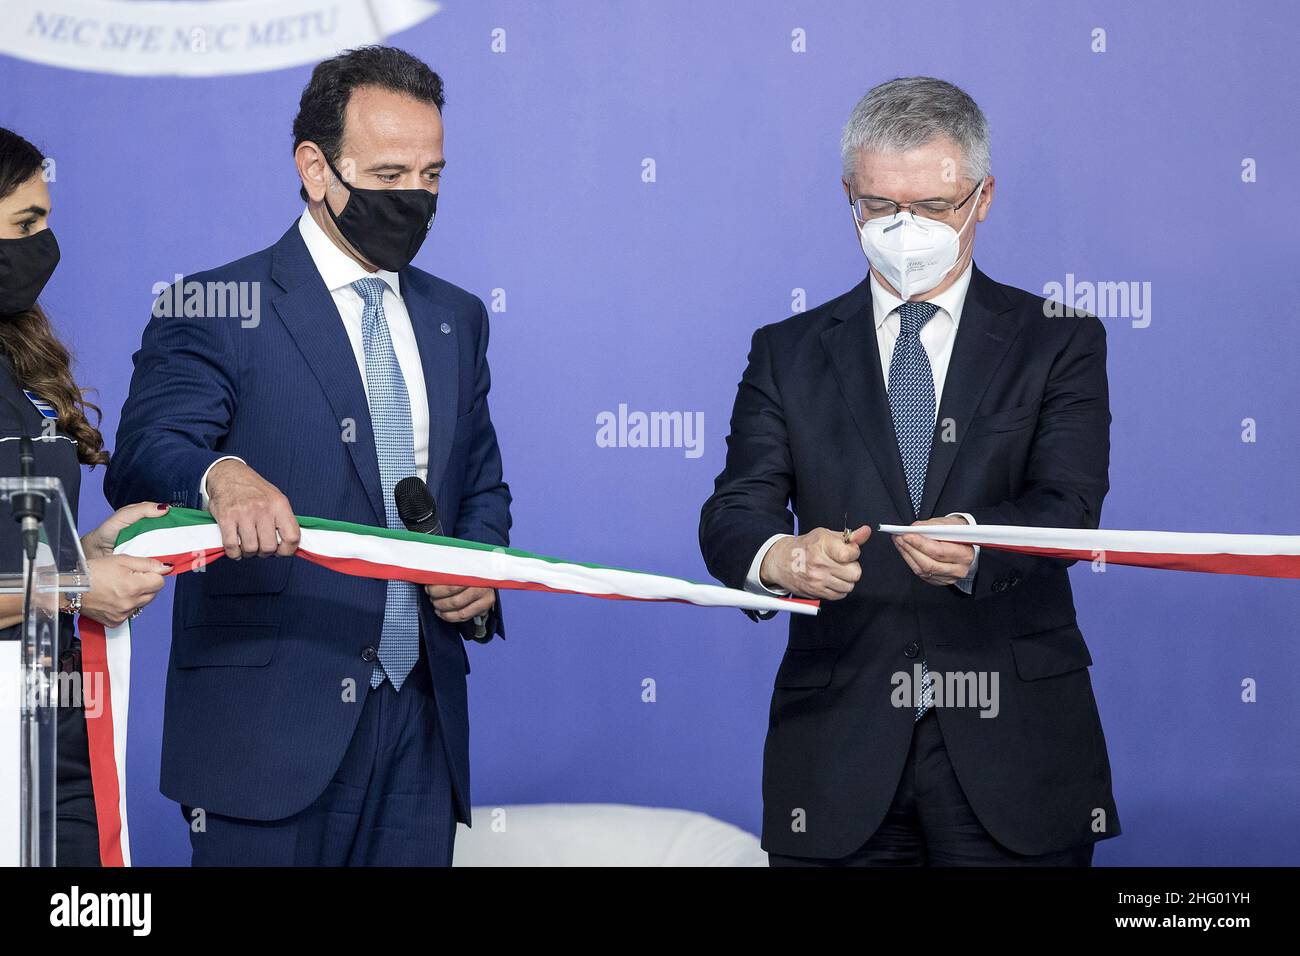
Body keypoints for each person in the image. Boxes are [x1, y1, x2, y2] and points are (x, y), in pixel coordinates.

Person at [104, 46, 511, 866]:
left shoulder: (457, 318)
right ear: (315, 167)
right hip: (265, 732)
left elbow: (480, 486)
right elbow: (147, 449)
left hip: (421, 725)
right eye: (390, 174)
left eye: (432, 176)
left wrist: (481, 567)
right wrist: (224, 475)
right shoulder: (214, 304)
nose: (416, 199)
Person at [699, 77, 1118, 866]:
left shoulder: (1059, 339)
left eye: (932, 207)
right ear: (849, 197)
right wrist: (780, 559)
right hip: (836, 755)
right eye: (881, 206)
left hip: (1017, 751)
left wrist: (978, 540)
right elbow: (734, 512)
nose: (904, 228)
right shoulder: (786, 351)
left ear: (983, 197)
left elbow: (1069, 509)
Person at [0, 126, 171, 865]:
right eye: (26, 224)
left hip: (55, 722)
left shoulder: (19, 356)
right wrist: (71, 588)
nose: (46, 244)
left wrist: (90, 547)